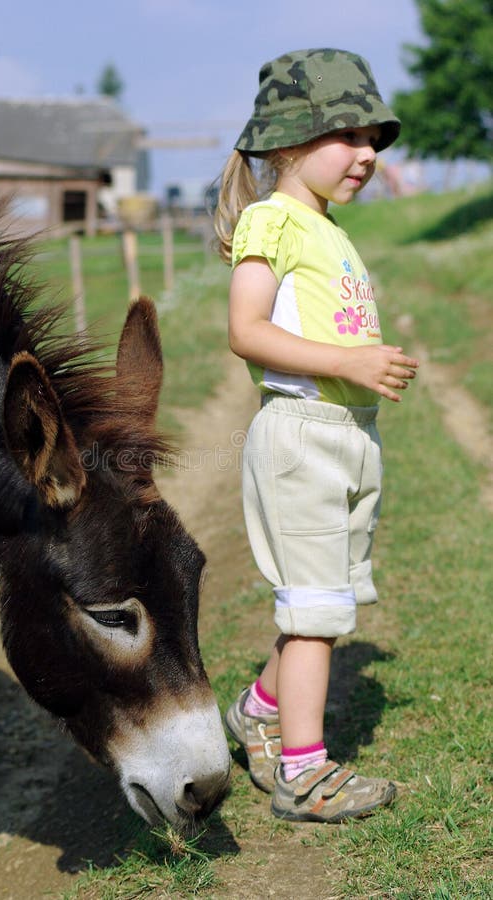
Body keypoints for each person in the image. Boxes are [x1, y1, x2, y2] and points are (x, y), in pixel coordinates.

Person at [213, 48, 419, 822]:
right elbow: (245, 329)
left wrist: (365, 371)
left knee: (324, 603)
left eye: (375, 139)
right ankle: (303, 774)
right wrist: (347, 361)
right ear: (289, 143)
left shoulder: (326, 226)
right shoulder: (271, 219)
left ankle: (259, 712)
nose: (368, 153)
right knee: (314, 614)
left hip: (348, 436)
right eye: (350, 135)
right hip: (301, 435)